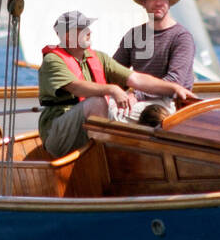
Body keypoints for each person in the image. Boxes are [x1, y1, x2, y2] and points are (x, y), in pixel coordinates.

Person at [38, 10, 196, 157]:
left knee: (152, 113)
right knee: (98, 101)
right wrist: (112, 89)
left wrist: (174, 87)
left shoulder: (99, 57)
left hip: (86, 126)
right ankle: (104, 160)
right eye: (82, 29)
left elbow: (135, 79)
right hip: (58, 134)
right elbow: (76, 87)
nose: (89, 32)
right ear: (68, 36)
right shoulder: (53, 61)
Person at [113, 0, 196, 102]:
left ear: (169, 3)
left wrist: (136, 96)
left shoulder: (181, 37)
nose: (158, 3)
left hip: (171, 104)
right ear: (143, 3)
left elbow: (175, 81)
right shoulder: (135, 34)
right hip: (137, 99)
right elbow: (114, 70)